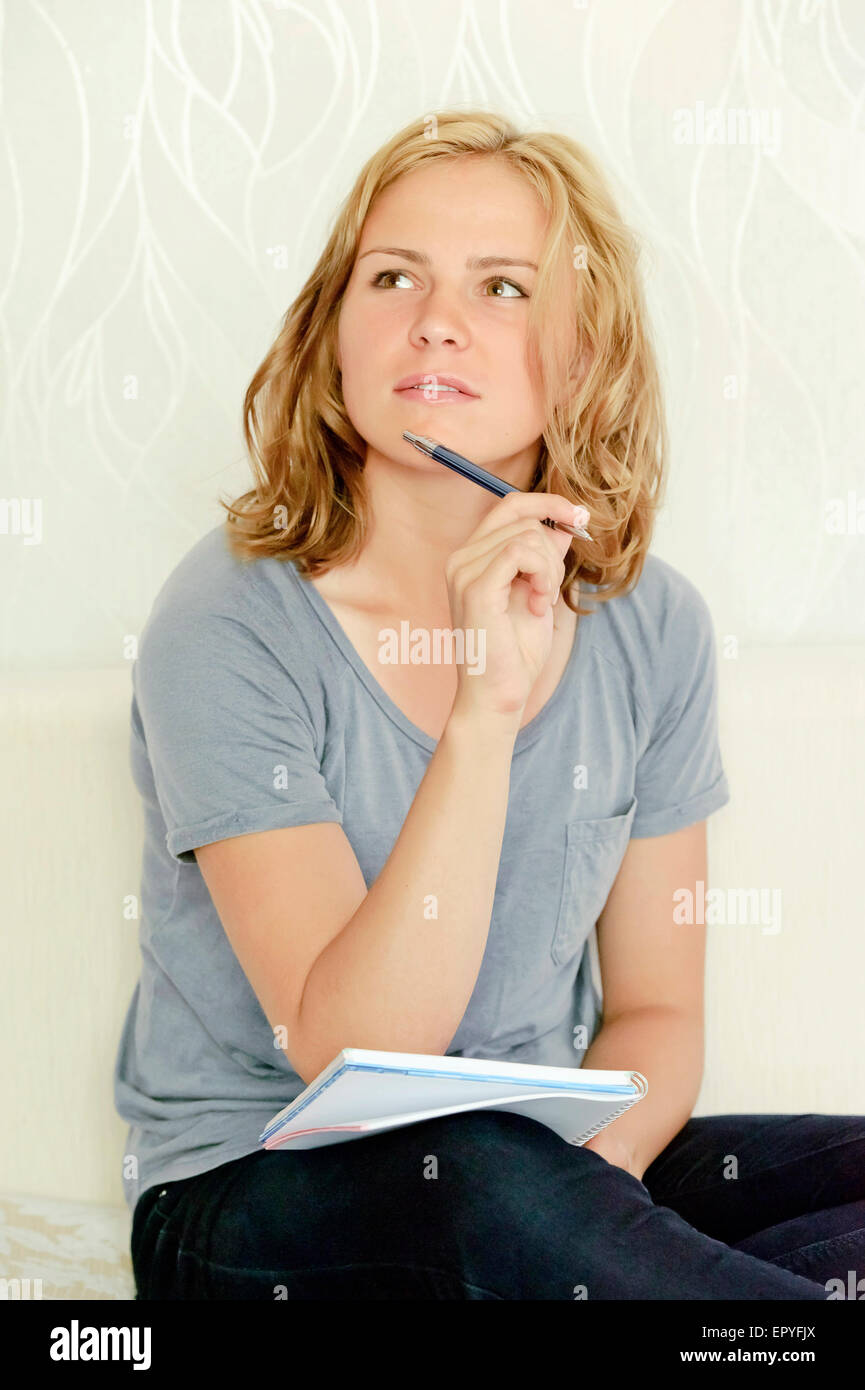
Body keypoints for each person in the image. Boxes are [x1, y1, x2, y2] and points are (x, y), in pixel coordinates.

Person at [117, 109, 865, 1300]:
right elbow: (350, 1052)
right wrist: (481, 713)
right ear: (336, 332)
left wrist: (601, 1201)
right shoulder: (226, 619)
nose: (436, 320)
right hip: (252, 1193)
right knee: (480, 1180)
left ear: (585, 354)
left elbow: (658, 1012)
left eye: (503, 287)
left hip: (541, 1164)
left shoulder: (651, 623)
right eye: (392, 275)